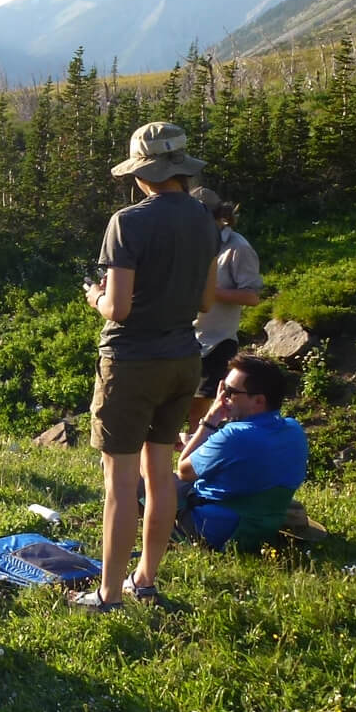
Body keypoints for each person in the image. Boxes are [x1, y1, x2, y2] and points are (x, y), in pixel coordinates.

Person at [72, 122, 218, 612]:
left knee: (119, 484)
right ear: (180, 169)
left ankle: (108, 594)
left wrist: (94, 296)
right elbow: (204, 300)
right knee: (160, 474)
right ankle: (146, 580)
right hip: (184, 358)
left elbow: (119, 308)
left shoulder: (127, 222)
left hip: (131, 361)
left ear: (142, 174)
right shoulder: (205, 219)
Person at [176, 354, 308, 550]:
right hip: (261, 527)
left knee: (142, 478)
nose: (222, 398)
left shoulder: (234, 435)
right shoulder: (293, 429)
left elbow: (183, 471)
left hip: (214, 529)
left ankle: (131, 533)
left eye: (230, 392)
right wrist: (199, 441)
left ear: (258, 401)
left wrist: (211, 418)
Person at [189, 187, 263, 433]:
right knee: (182, 406)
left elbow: (252, 297)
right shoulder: (189, 244)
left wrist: (210, 291)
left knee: (201, 408)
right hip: (185, 339)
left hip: (216, 343)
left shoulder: (237, 248)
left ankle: (198, 464)